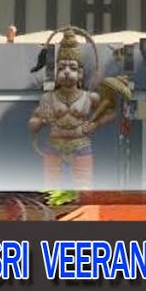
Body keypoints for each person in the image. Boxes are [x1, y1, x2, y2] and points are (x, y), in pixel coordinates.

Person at [28, 28, 116, 189]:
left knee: (84, 188)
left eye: (72, 68)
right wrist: (39, 121)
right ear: (56, 72)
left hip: (81, 145)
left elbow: (111, 112)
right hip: (54, 145)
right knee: (51, 189)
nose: (67, 72)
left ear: (80, 73)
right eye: (62, 68)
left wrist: (95, 124)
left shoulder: (90, 97)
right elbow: (33, 121)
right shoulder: (48, 98)